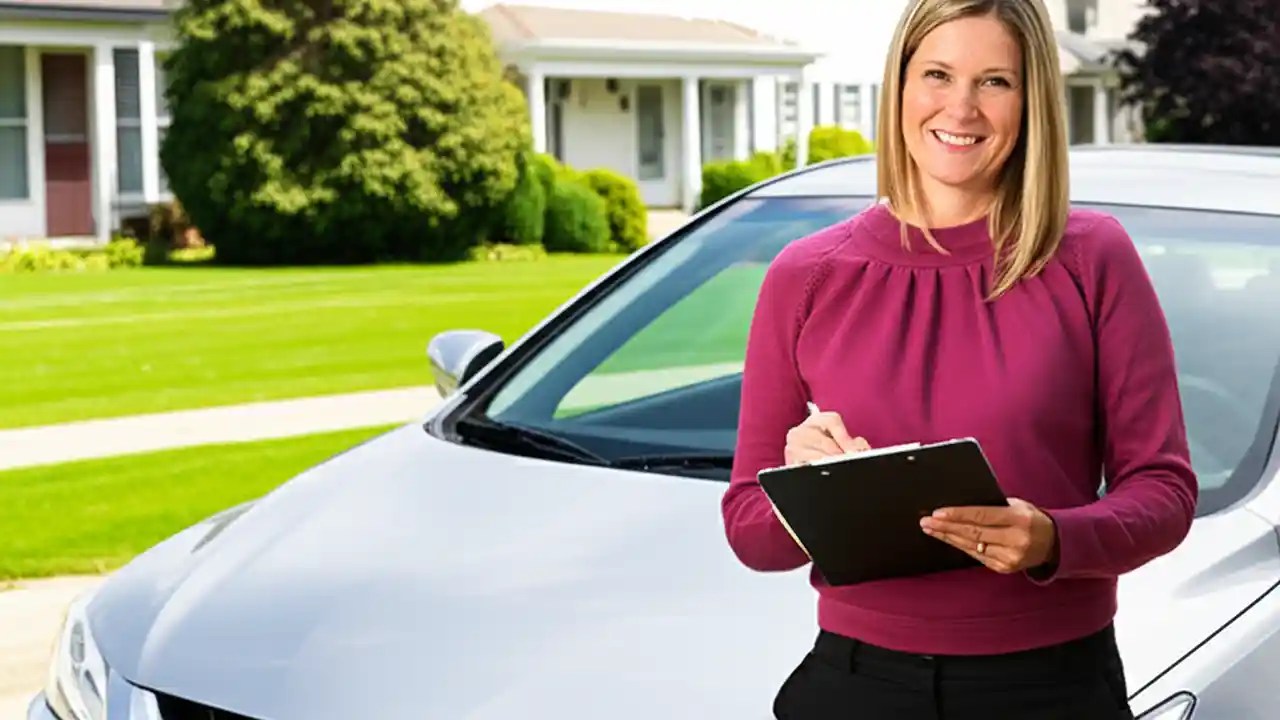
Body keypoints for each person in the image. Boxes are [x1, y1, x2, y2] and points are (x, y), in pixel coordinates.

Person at [720, 0, 1199, 718]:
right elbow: (749, 528)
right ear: (901, 86)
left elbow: (1164, 490)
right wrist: (807, 492)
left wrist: (1054, 539)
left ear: (1031, 98)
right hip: (856, 687)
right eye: (938, 74)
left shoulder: (1092, 259)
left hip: (1050, 688)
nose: (962, 108)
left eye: (995, 82)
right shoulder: (805, 274)